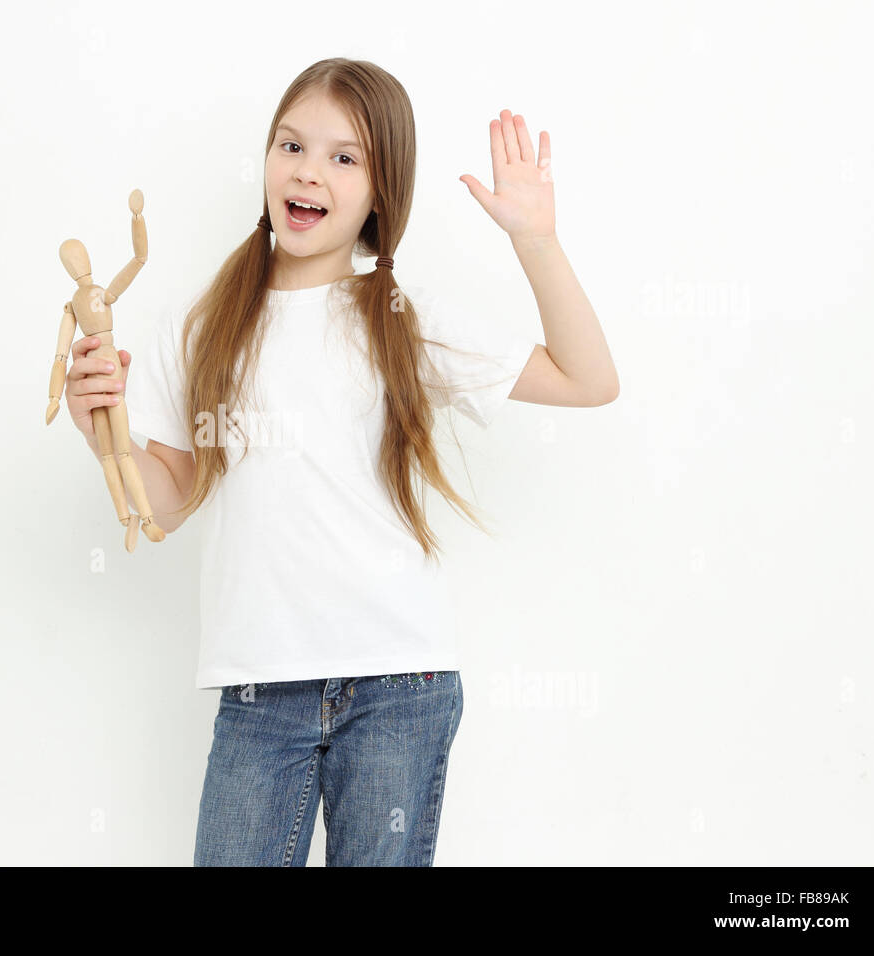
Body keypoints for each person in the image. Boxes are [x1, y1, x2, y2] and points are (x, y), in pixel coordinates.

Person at [60, 58, 619, 866]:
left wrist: (536, 240)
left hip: (401, 688)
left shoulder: (400, 318)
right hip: (259, 694)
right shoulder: (202, 327)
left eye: (343, 157)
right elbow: (168, 500)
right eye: (291, 145)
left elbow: (588, 379)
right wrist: (99, 429)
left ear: (380, 192)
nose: (308, 170)